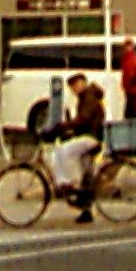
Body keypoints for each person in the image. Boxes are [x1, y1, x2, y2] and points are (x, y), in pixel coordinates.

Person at [51, 74, 106, 216]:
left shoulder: (89, 97)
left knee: (63, 150)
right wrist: (70, 130)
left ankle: (65, 182)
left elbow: (84, 119)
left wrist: (64, 126)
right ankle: (85, 209)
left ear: (82, 83)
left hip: (91, 138)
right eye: (72, 88)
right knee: (86, 173)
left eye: (76, 85)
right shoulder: (86, 97)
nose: (74, 89)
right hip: (88, 136)